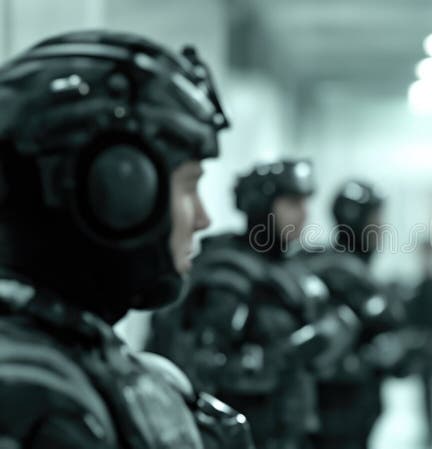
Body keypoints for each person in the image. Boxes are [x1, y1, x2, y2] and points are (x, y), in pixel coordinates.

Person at [0, 31, 254, 448]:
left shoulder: (96, 373)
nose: (204, 219)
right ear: (117, 192)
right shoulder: (31, 401)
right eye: (189, 187)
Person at [148, 159, 358, 449]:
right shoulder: (229, 275)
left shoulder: (292, 269)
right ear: (263, 207)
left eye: (305, 203)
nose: (303, 215)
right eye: (292, 204)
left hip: (291, 431)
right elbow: (202, 369)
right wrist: (288, 355)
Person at [303, 180, 411, 449]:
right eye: (375, 219)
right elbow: (386, 329)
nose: (381, 228)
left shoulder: (335, 266)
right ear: (356, 222)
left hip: (348, 407)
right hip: (337, 407)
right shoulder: (342, 273)